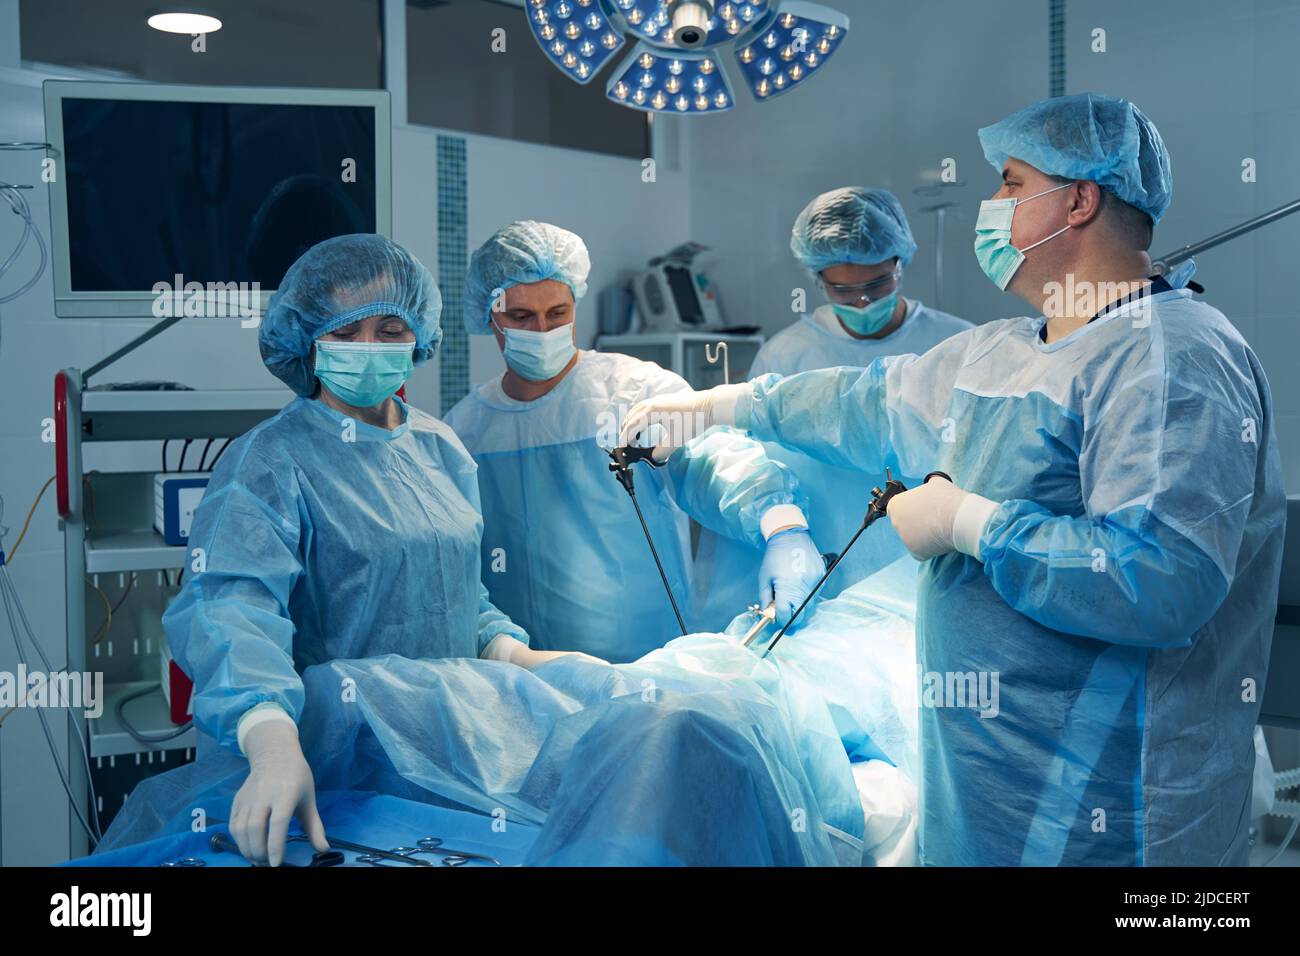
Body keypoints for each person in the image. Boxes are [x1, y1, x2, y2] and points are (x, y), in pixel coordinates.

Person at [621, 93, 1286, 866]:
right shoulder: (1002, 351)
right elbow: (864, 400)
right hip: (987, 793)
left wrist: (969, 523)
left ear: (1077, 200)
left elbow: (1165, 579)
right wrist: (719, 405)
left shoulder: (1173, 358)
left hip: (1114, 809)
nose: (992, 206)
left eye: (1009, 182)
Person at [165, 233, 584, 867]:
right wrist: (271, 741)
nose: (370, 348)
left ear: (419, 336)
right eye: (347, 330)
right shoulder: (268, 462)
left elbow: (460, 595)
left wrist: (516, 653)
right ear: (309, 340)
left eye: (390, 329)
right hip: (319, 773)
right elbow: (229, 612)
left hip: (446, 760)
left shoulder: (442, 449)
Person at [444, 220, 824, 664]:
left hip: (643, 664)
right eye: (521, 317)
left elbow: (716, 462)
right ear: (491, 317)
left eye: (558, 313)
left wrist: (783, 525)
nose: (543, 329)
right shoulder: (466, 429)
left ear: (575, 305)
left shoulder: (634, 391)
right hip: (520, 672)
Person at [745, 187, 972, 597]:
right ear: (818, 278)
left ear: (899, 263)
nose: (864, 301)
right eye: (844, 291)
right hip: (825, 564)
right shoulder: (785, 355)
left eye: (878, 283)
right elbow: (762, 471)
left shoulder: (956, 344)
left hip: (931, 574)